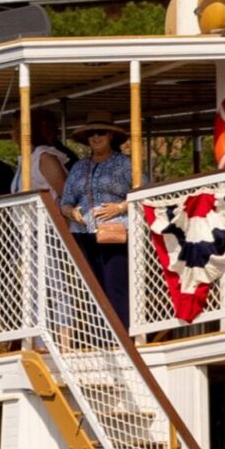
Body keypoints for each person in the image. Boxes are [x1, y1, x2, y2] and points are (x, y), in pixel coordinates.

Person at [61, 114, 135, 326]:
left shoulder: (125, 163)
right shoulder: (78, 167)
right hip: (84, 233)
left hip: (115, 231)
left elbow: (143, 192)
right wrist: (70, 212)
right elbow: (65, 200)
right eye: (91, 133)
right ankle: (101, 336)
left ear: (110, 135)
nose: (95, 137)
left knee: (116, 284)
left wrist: (119, 207)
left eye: (100, 132)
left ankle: (122, 334)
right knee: (93, 286)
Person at [12, 111, 73, 197]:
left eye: (14, 128)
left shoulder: (44, 157)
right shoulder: (27, 159)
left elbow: (66, 195)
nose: (11, 132)